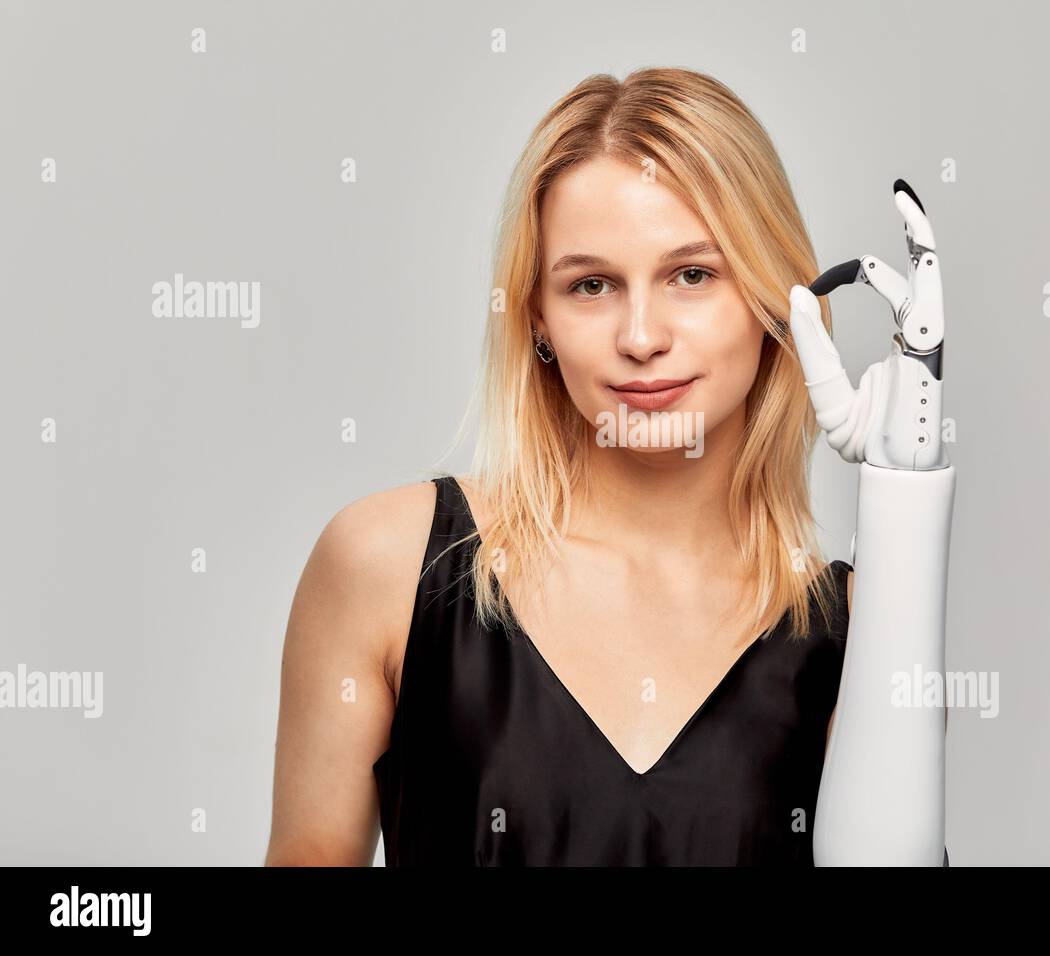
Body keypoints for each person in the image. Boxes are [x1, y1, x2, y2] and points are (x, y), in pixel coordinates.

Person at [264, 66, 953, 866]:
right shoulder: (388, 565)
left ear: (775, 303)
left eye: (692, 275)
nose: (640, 335)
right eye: (591, 285)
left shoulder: (868, 630)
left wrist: (906, 504)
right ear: (539, 321)